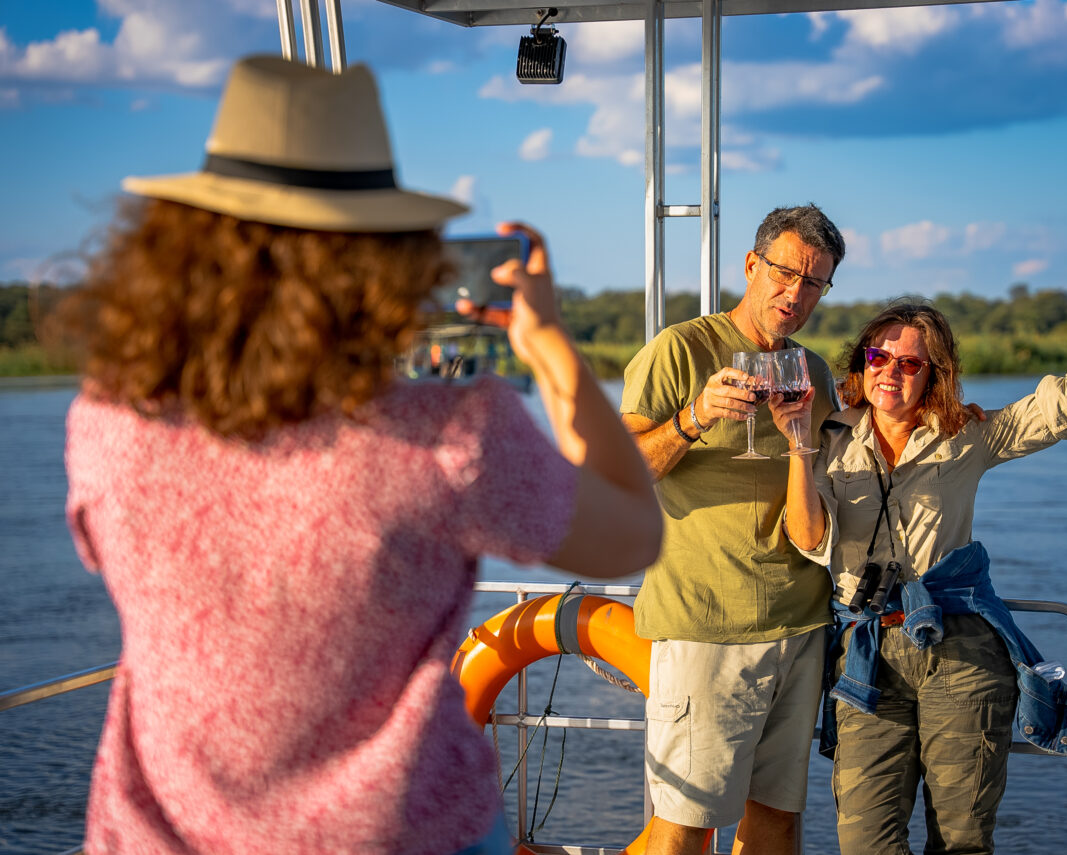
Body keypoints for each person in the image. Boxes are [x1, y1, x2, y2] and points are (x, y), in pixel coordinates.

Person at [60, 55, 661, 855]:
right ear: (386, 256)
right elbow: (631, 533)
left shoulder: (106, 418)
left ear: (181, 249)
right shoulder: (448, 432)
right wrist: (549, 347)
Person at [773, 278, 1067, 854]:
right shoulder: (826, 439)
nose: (890, 371)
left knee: (962, 839)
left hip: (961, 652)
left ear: (934, 373)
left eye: (909, 363)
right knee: (865, 841)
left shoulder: (967, 435)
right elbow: (811, 538)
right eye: (878, 356)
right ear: (861, 364)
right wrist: (794, 444)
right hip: (867, 659)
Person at [619, 205, 845, 854]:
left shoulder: (814, 371)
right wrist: (693, 417)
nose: (794, 293)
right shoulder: (680, 349)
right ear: (751, 265)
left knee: (778, 822)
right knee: (686, 826)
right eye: (783, 272)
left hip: (801, 627)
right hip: (705, 627)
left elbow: (837, 478)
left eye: (814, 283)